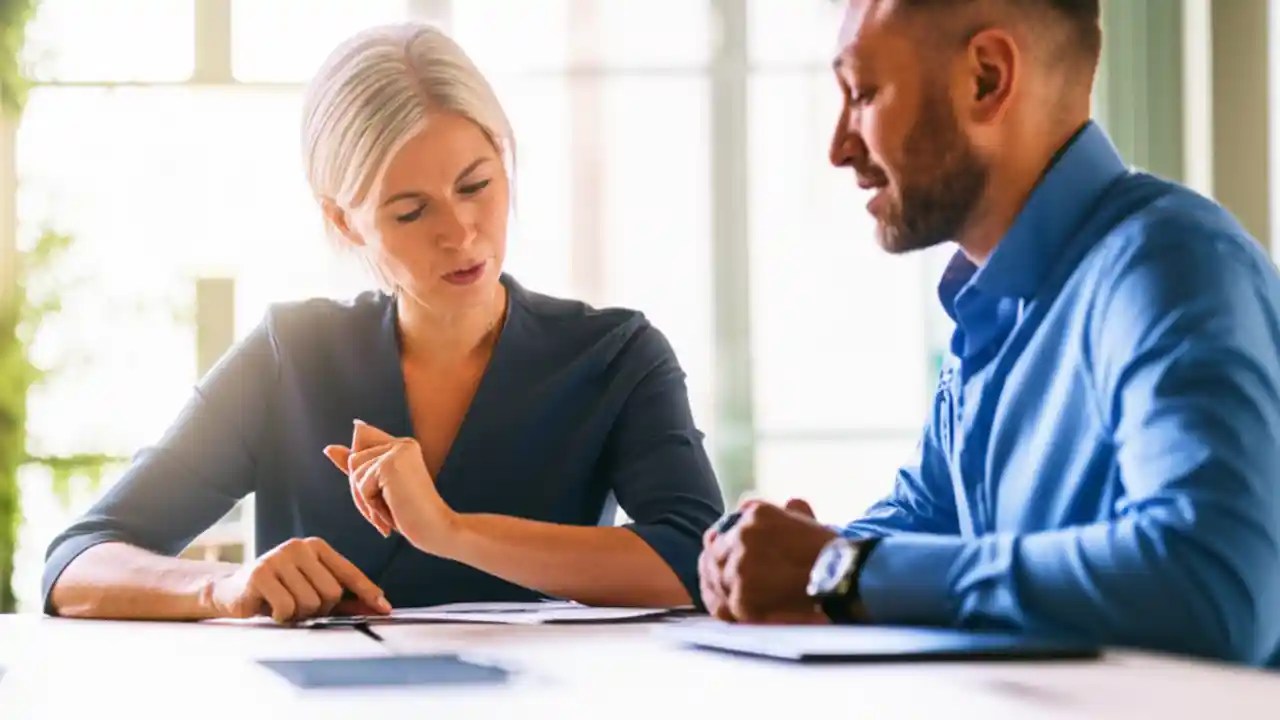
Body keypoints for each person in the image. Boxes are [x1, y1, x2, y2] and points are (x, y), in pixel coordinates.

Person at [44, 23, 723, 623]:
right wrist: (225, 587)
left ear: (505, 161)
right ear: (344, 220)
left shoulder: (616, 355)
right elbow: (77, 561)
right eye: (410, 211)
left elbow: (695, 560)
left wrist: (452, 531)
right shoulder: (291, 356)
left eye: (476, 185)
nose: (460, 232)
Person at [700, 0, 1280, 666]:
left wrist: (842, 569)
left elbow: (1214, 590)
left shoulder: (1169, 264)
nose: (838, 148)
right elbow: (916, 530)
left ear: (985, 78)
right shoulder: (989, 310)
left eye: (862, 94)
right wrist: (768, 558)